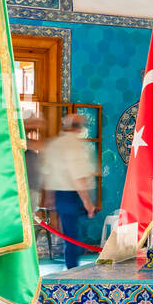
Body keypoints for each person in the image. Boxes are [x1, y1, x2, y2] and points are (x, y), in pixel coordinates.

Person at [41, 113, 99, 268]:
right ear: (79, 128)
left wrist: (49, 197)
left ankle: (71, 265)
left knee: (69, 233)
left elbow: (47, 172)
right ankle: (73, 269)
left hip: (60, 195)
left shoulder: (54, 144)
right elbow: (78, 176)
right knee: (73, 235)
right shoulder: (75, 145)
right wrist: (87, 203)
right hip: (73, 195)